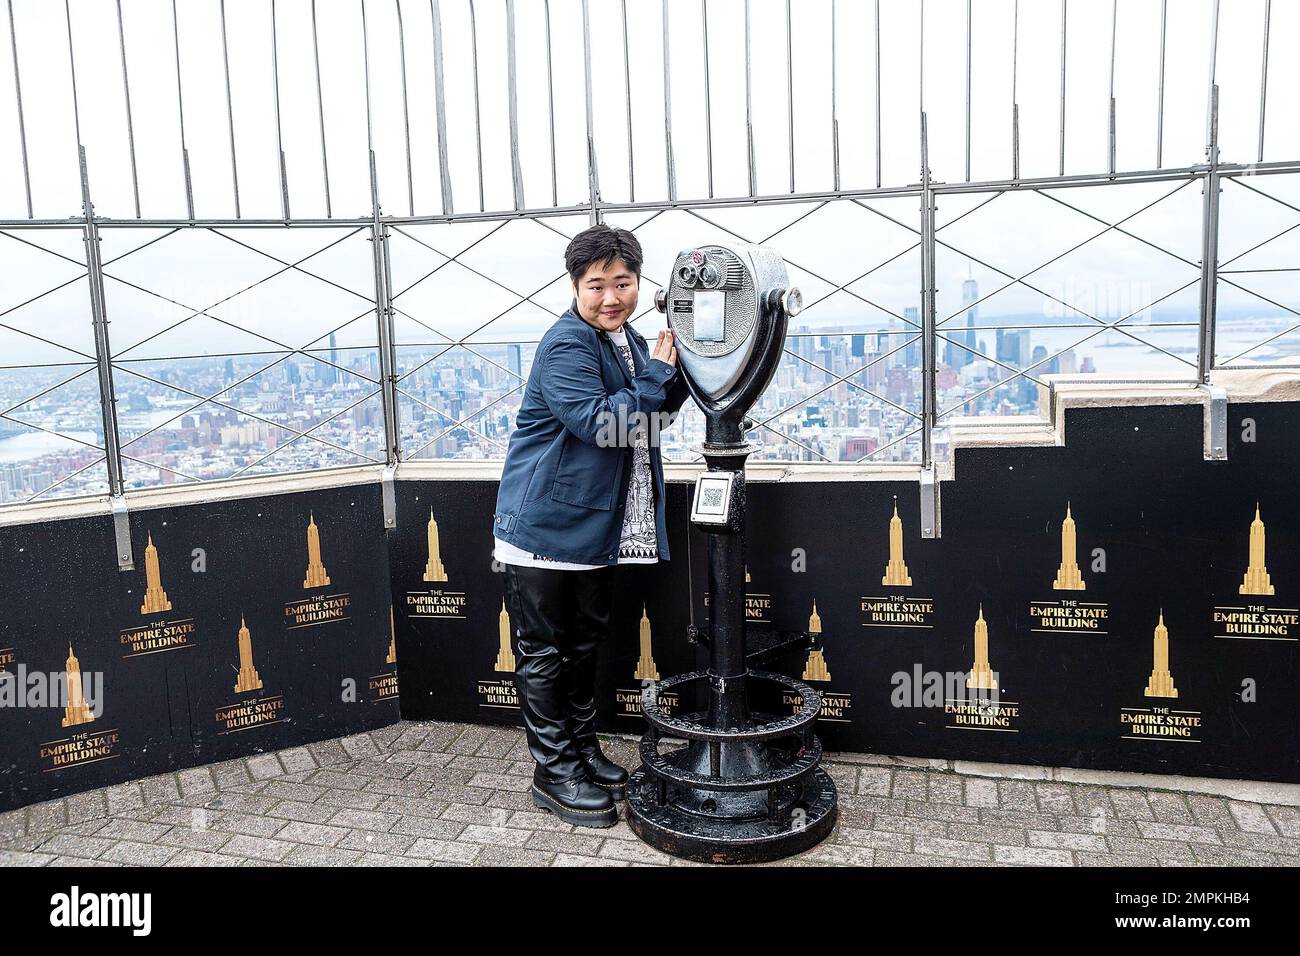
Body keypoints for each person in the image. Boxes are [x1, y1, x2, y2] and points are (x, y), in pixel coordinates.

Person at [492, 224, 690, 827]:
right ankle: (553, 773)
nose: (611, 297)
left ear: (639, 285)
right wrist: (656, 380)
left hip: (594, 527)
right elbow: (601, 424)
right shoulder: (567, 347)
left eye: (623, 283)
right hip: (546, 530)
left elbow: (653, 415)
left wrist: (685, 362)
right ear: (575, 286)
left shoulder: (625, 341)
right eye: (596, 285)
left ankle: (582, 751)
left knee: (581, 647)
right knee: (546, 653)